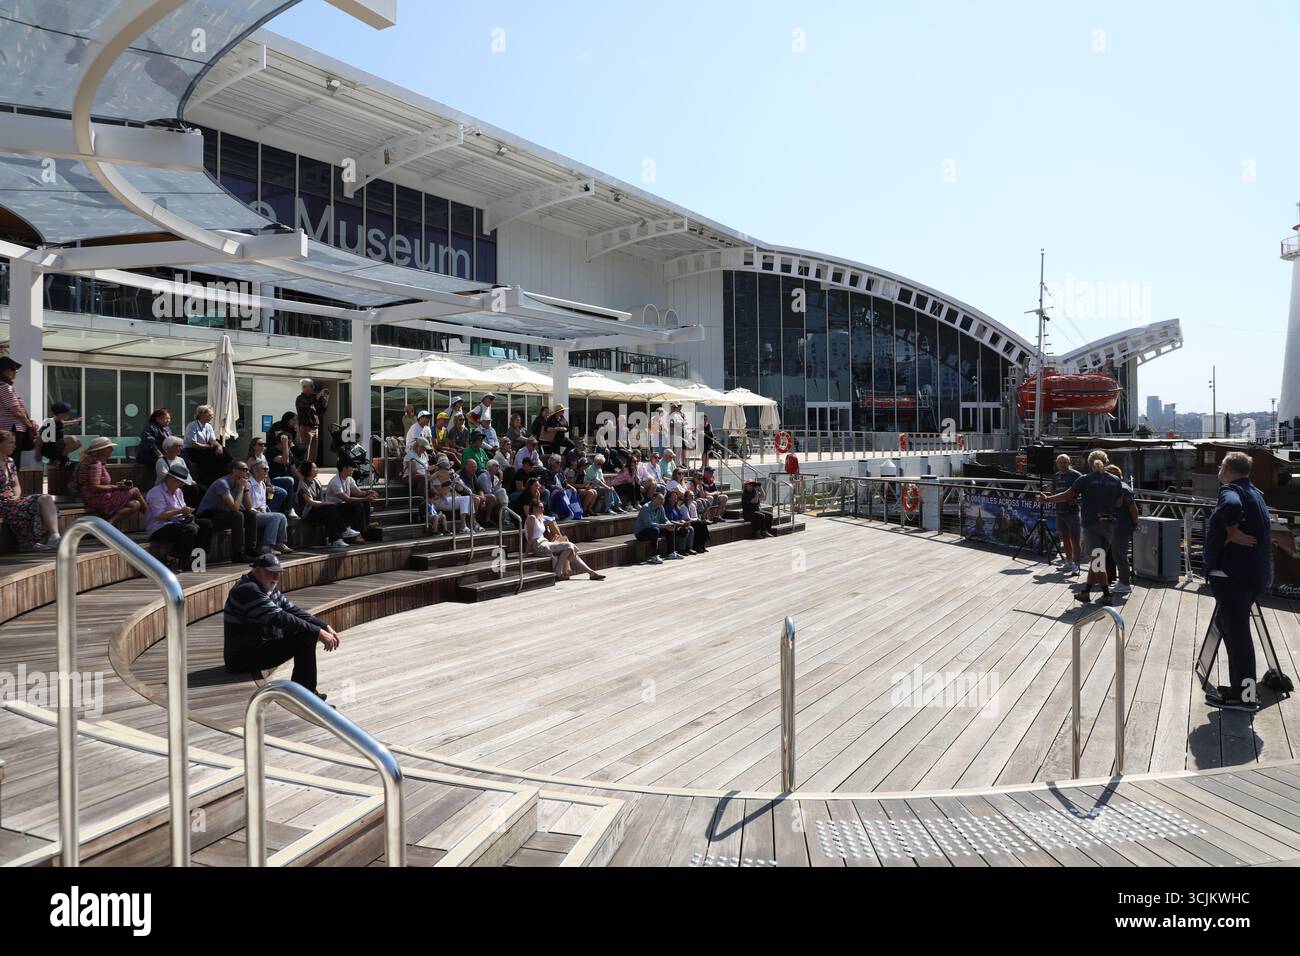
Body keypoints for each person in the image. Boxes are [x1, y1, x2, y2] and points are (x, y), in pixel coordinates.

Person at [1203, 450, 1274, 713]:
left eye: (1221, 466)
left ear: (1227, 469)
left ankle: (1244, 697)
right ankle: (1238, 688)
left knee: (1238, 635)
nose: (1219, 471)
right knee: (1229, 625)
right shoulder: (1256, 492)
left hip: (1232, 575)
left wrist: (1232, 531)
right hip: (1253, 574)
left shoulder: (1230, 491)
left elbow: (1231, 507)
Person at [223, 553, 340, 698]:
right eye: (271, 573)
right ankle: (305, 695)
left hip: (257, 647)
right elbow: (280, 617)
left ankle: (305, 691)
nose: (276, 578)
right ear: (257, 570)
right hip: (242, 659)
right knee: (307, 635)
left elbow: (291, 610)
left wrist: (323, 625)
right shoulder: (247, 590)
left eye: (277, 573)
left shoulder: (265, 587)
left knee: (306, 631)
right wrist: (318, 632)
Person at [1038, 449, 1122, 605]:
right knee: (1097, 557)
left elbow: (1067, 495)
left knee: (1097, 560)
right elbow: (1118, 503)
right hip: (1109, 525)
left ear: (1090, 463)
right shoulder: (1115, 480)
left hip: (1092, 525)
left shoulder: (1085, 479)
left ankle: (1106, 594)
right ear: (1106, 462)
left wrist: (1048, 499)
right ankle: (1086, 591)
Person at [145, 462, 211, 571]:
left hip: (177, 522)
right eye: (179, 481)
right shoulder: (156, 492)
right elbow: (159, 516)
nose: (181, 484)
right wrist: (180, 511)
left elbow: (182, 509)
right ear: (170, 478)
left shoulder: (178, 491)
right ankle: (172, 558)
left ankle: (196, 558)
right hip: (159, 527)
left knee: (206, 524)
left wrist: (186, 513)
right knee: (190, 529)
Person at [0, 429, 60, 551]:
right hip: (2, 504)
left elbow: (16, 485)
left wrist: (16, 496)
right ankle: (29, 543)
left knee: (45, 498)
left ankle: (55, 536)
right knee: (33, 507)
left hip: (12, 501)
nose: (14, 446)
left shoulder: (10, 462)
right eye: (10, 443)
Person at [74, 437, 146, 528]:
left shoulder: (92, 461)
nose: (112, 449)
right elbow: (94, 487)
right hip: (97, 499)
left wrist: (117, 486)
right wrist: (117, 487)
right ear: (101, 451)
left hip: (96, 496)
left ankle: (109, 524)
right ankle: (153, 518)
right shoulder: (95, 464)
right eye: (109, 447)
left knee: (135, 504)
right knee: (135, 490)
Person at [196, 460, 260, 562]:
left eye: (248, 470)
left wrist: (245, 489)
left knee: (251, 514)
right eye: (244, 470)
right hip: (209, 517)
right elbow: (234, 508)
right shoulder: (222, 483)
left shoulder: (239, 483)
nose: (247, 472)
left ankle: (250, 550)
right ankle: (237, 554)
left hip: (223, 514)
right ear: (234, 471)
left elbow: (249, 507)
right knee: (237, 515)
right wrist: (241, 488)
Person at [525, 502, 605, 581]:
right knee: (569, 546)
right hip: (538, 545)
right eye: (540, 507)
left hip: (545, 542)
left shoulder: (540, 518)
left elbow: (550, 523)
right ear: (534, 508)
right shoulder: (531, 518)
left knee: (570, 552)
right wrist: (527, 552)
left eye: (543, 507)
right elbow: (530, 537)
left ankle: (592, 573)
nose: (543, 509)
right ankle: (558, 572)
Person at [298, 461, 365, 549]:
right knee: (331, 509)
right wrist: (327, 503)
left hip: (319, 509)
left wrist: (327, 504)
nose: (317, 470)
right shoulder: (303, 484)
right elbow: (311, 502)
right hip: (309, 513)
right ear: (308, 471)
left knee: (351, 506)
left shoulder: (316, 482)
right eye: (314, 468)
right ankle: (343, 531)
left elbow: (321, 500)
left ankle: (336, 539)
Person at [1105, 464, 1140, 596]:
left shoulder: (1123, 489)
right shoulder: (1115, 488)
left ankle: (1125, 583)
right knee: (1116, 555)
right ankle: (1122, 581)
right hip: (1115, 526)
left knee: (1120, 555)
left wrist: (1135, 523)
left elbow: (1133, 508)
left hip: (1122, 527)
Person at [1049, 453, 1083, 573]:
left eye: (1065, 462)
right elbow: (1053, 491)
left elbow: (1085, 492)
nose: (1063, 464)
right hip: (1059, 511)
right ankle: (1068, 561)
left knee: (1075, 539)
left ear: (1069, 463)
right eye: (1060, 462)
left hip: (1072, 512)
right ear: (1057, 464)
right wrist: (1050, 492)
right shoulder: (1056, 476)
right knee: (1065, 538)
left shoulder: (1077, 475)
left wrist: (1077, 500)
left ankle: (1076, 564)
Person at [325, 460, 378, 534]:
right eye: (351, 467)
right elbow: (347, 499)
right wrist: (365, 498)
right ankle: (357, 531)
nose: (353, 469)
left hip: (344, 505)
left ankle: (365, 525)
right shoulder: (335, 482)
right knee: (358, 504)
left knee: (364, 502)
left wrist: (368, 492)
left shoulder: (349, 479)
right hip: (334, 507)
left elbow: (357, 492)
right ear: (344, 468)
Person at [0, 356, 38, 458]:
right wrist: (30, 426)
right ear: (4, 371)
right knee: (13, 460)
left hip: (5, 429)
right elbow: (16, 411)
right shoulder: (4, 387)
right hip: (11, 428)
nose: (15, 372)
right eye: (13, 369)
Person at [633, 491, 686, 562]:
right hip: (641, 532)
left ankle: (671, 553)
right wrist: (663, 526)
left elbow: (665, 519)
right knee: (655, 530)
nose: (662, 500)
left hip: (654, 528)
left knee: (670, 529)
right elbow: (648, 524)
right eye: (660, 498)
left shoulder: (661, 507)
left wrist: (668, 524)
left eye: (663, 499)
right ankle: (654, 556)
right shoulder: (646, 508)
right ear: (653, 498)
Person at [183, 405, 229, 485]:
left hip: (204, 448)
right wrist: (210, 447)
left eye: (212, 415)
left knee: (224, 451)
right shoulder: (192, 426)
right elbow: (193, 444)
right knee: (210, 454)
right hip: (191, 450)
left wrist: (219, 446)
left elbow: (213, 440)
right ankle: (207, 480)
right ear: (201, 415)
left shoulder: (208, 426)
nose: (211, 417)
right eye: (209, 415)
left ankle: (225, 474)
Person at [295, 378, 329, 464]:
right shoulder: (300, 398)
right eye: (311, 386)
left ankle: (310, 471)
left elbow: (321, 412)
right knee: (305, 452)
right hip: (306, 427)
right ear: (304, 387)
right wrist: (318, 396)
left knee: (313, 454)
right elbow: (307, 404)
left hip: (315, 427)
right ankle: (303, 472)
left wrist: (325, 401)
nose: (313, 388)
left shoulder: (313, 398)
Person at [135, 407, 173, 483]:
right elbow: (150, 443)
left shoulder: (167, 429)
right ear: (158, 419)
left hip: (164, 455)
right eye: (166, 419)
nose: (168, 421)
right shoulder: (150, 427)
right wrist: (161, 456)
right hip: (149, 455)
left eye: (169, 418)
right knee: (163, 463)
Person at [41, 401, 82, 468]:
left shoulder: (58, 421)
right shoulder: (49, 421)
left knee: (78, 443)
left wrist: (74, 421)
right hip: (48, 448)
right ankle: (56, 458)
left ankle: (62, 458)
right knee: (72, 439)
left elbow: (62, 423)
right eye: (66, 413)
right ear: (60, 413)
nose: (68, 414)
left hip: (55, 446)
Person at [664, 489, 700, 555]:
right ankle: (681, 549)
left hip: (679, 524)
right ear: (669, 498)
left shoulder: (676, 507)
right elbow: (670, 520)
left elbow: (680, 518)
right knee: (684, 529)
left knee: (691, 528)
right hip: (672, 526)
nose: (675, 498)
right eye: (673, 496)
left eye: (676, 496)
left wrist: (683, 522)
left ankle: (689, 548)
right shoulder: (667, 507)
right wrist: (682, 524)